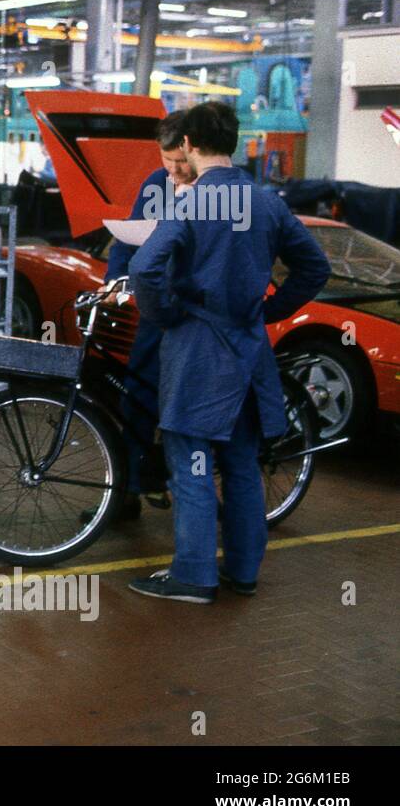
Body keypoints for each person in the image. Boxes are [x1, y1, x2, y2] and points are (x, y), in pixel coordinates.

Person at [127, 102, 329, 604]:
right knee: (240, 464)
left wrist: (166, 314)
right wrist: (271, 310)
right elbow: (315, 268)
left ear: (190, 145)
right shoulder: (268, 202)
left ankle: (194, 576)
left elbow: (145, 268)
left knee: (192, 465)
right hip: (248, 353)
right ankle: (243, 573)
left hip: (198, 352)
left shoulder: (194, 203)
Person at [105, 109, 198, 513]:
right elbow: (129, 241)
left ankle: (185, 490)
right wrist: (114, 280)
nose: (175, 171)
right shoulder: (157, 184)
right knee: (138, 395)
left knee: (189, 408)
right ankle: (130, 490)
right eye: (167, 162)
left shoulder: (222, 190)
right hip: (157, 311)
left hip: (198, 318)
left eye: (182, 163)